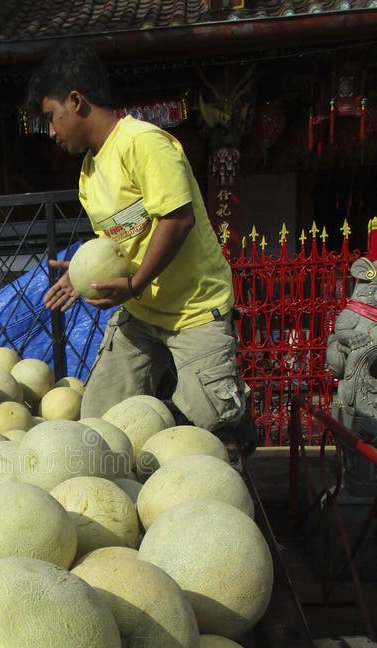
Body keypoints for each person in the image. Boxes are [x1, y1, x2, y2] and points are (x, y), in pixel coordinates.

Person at [25, 41, 256, 459]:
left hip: (196, 311)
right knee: (98, 422)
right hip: (143, 311)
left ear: (76, 101)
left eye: (50, 118)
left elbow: (177, 219)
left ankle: (229, 414)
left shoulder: (143, 143)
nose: (52, 132)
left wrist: (133, 284)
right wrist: (81, 274)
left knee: (208, 442)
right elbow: (114, 245)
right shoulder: (89, 175)